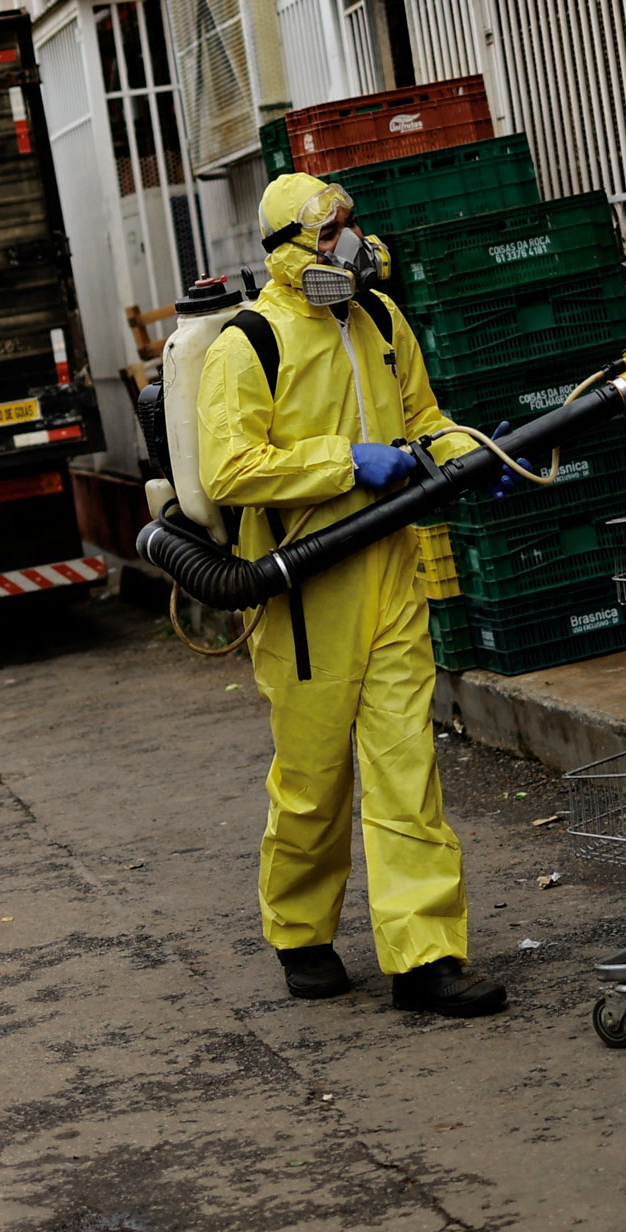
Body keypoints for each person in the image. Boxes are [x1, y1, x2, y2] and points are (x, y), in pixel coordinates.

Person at [197, 169, 506, 1017]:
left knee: (407, 768)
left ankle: (424, 955)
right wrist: (344, 461)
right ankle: (300, 931)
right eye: (331, 232)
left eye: (351, 224)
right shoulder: (248, 345)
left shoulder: (381, 320)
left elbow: (424, 420)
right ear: (290, 252)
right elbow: (229, 468)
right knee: (314, 781)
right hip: (304, 594)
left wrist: (472, 455)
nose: (352, 244)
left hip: (392, 575)